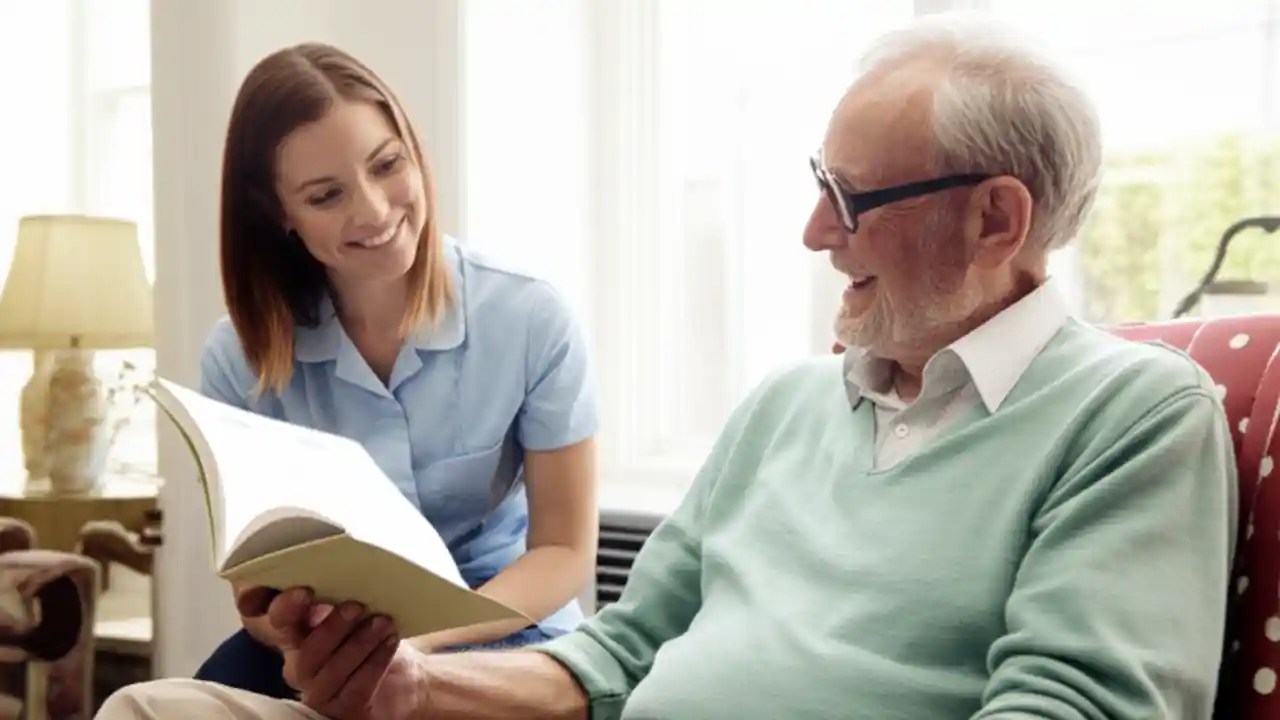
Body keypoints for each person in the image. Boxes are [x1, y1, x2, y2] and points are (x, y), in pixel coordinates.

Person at [98, 12, 1237, 720]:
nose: (808, 233)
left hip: (497, 633)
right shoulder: (788, 404)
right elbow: (611, 662)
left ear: (996, 220)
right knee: (153, 706)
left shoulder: (1128, 417)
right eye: (812, 184)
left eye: (846, 199)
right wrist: (405, 689)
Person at [167, 41, 600, 701]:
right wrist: (292, 632)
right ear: (277, 212)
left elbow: (565, 553)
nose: (372, 210)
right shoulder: (239, 358)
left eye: (387, 164)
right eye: (325, 195)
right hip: (328, 644)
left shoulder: (529, 318)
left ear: (414, 151)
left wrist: (415, 649)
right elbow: (253, 593)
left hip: (509, 627)